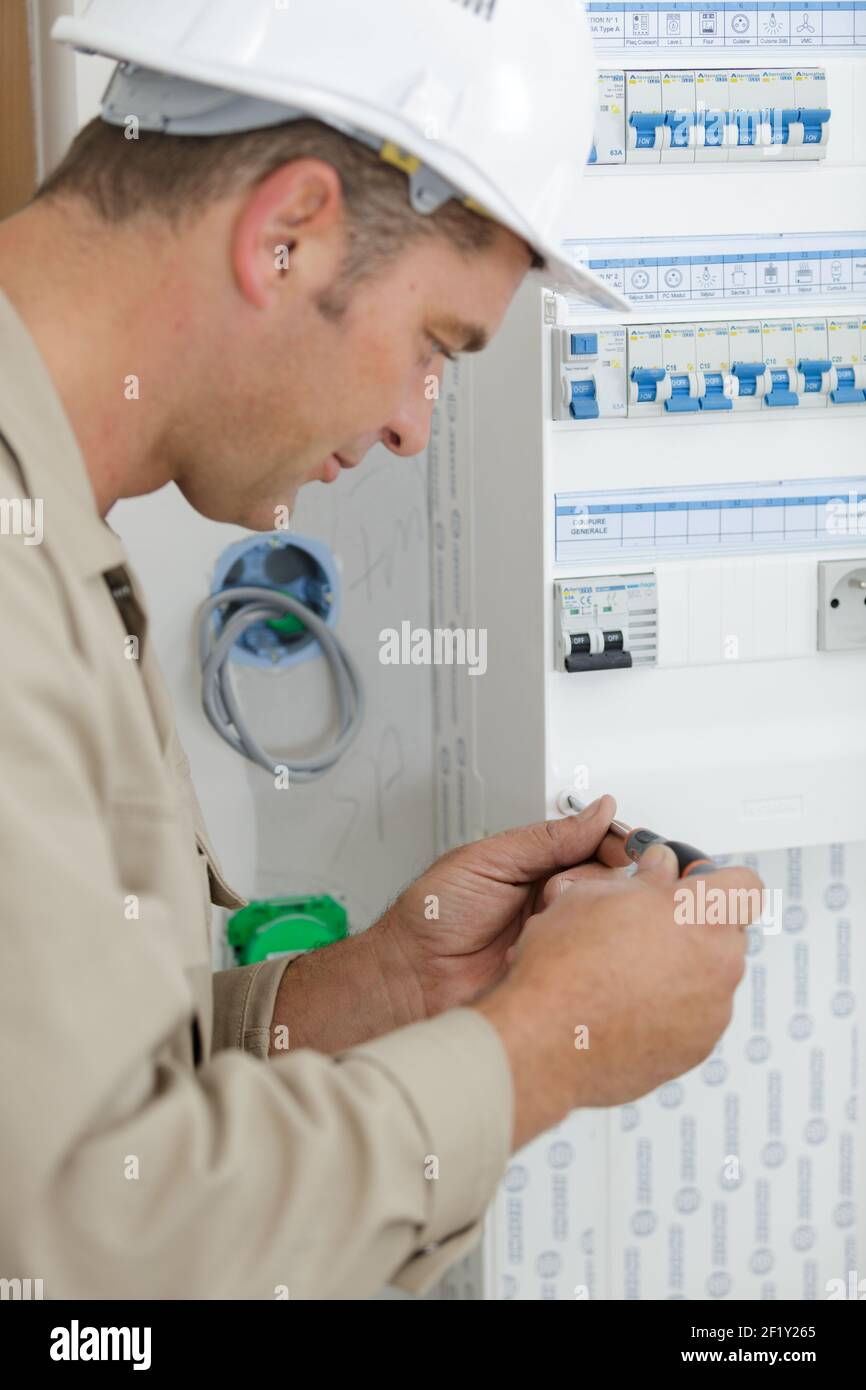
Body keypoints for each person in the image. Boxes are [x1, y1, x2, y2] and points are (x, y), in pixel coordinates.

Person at [0, 0, 761, 1299]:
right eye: (434, 347)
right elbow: (101, 1247)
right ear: (287, 235)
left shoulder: (56, 534)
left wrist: (396, 982)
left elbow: (88, 1097)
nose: (413, 425)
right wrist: (537, 1051)